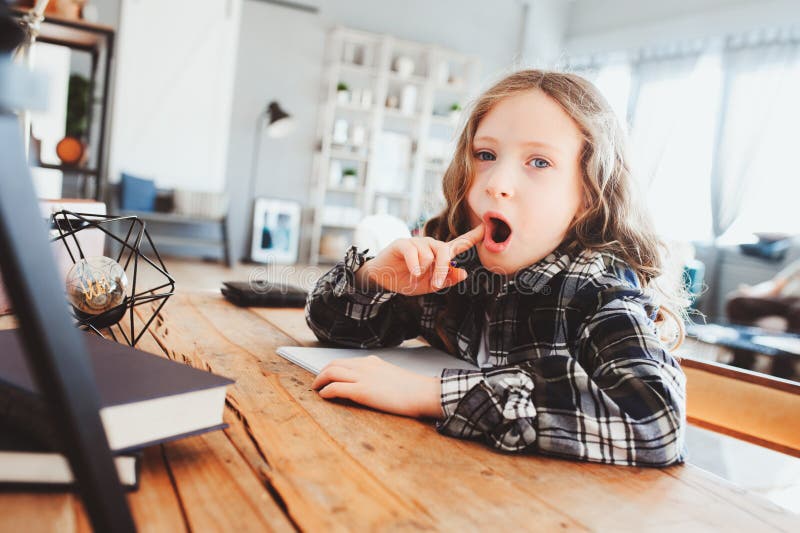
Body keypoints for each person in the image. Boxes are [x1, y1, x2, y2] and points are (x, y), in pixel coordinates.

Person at [305, 70, 687, 466]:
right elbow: (334, 331)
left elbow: (656, 422)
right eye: (485, 155)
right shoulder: (457, 266)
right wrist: (373, 279)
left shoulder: (598, 288)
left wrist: (429, 394)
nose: (496, 183)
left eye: (539, 162)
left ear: (590, 195)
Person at [726, 258, 800, 334]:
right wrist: (752, 292)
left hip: (797, 306)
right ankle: (743, 342)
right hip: (782, 301)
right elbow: (776, 284)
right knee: (736, 302)